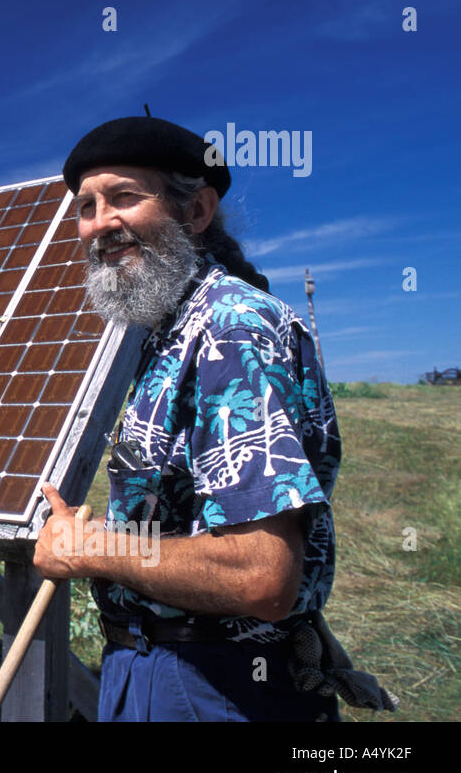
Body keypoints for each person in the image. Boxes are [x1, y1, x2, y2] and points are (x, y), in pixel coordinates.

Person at [31, 115, 343, 721]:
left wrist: (88, 550)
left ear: (196, 212)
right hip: (166, 669)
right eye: (86, 207)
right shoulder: (170, 331)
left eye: (124, 197)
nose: (100, 224)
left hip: (212, 683)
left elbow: (260, 576)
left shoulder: (228, 330)